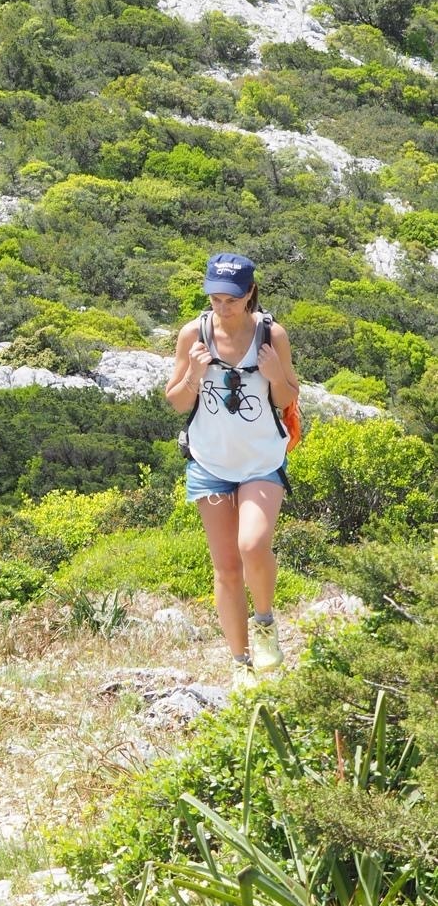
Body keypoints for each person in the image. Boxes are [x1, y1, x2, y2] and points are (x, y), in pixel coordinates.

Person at [165, 253, 300, 690]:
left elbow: (286, 398)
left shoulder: (270, 334)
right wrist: (195, 376)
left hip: (261, 459)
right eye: (215, 298)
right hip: (210, 462)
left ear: (249, 296)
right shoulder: (194, 333)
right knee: (225, 567)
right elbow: (177, 401)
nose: (221, 307)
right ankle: (240, 663)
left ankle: (265, 625)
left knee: (253, 544)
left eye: (231, 299)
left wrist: (275, 372)